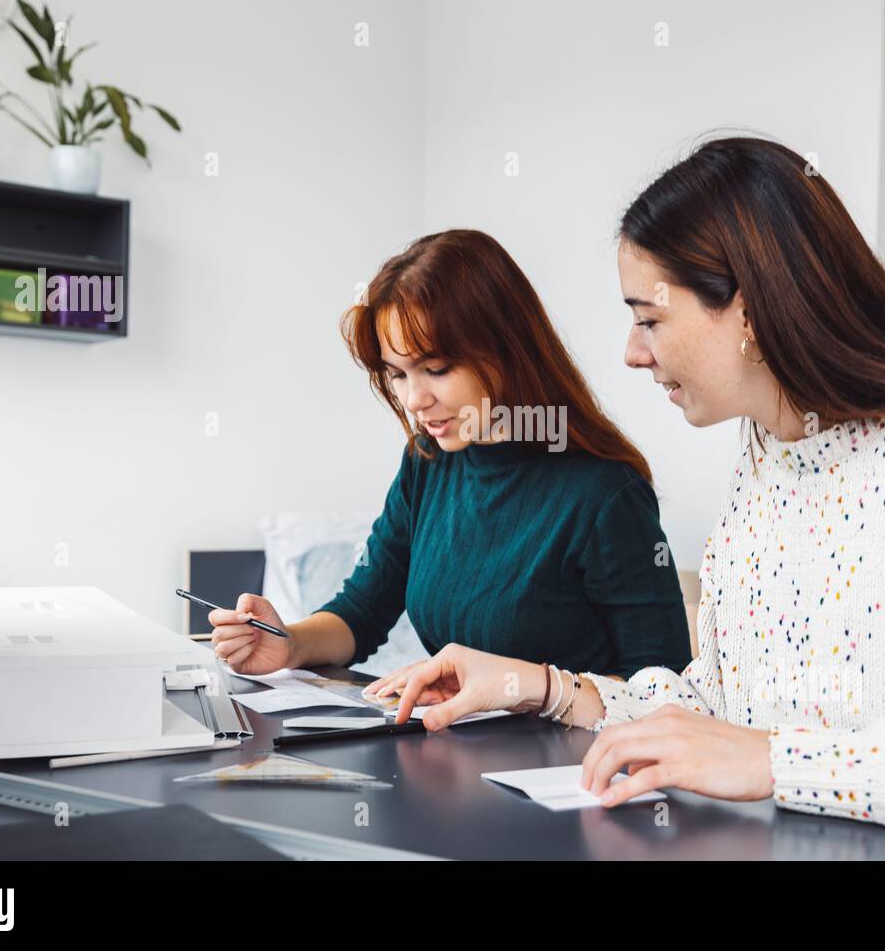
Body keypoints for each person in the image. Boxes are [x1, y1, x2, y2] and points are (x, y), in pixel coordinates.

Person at [364, 138, 885, 860]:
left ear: (745, 307)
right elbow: (718, 705)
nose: (632, 354)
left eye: (649, 318)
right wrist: (536, 684)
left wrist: (776, 759)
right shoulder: (766, 463)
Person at [209, 229, 691, 680]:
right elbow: (362, 611)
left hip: (565, 768)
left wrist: (530, 693)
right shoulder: (427, 462)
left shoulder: (603, 494)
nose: (414, 399)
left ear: (506, 349)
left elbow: (662, 689)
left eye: (435, 368)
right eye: (397, 374)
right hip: (456, 754)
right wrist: (287, 642)